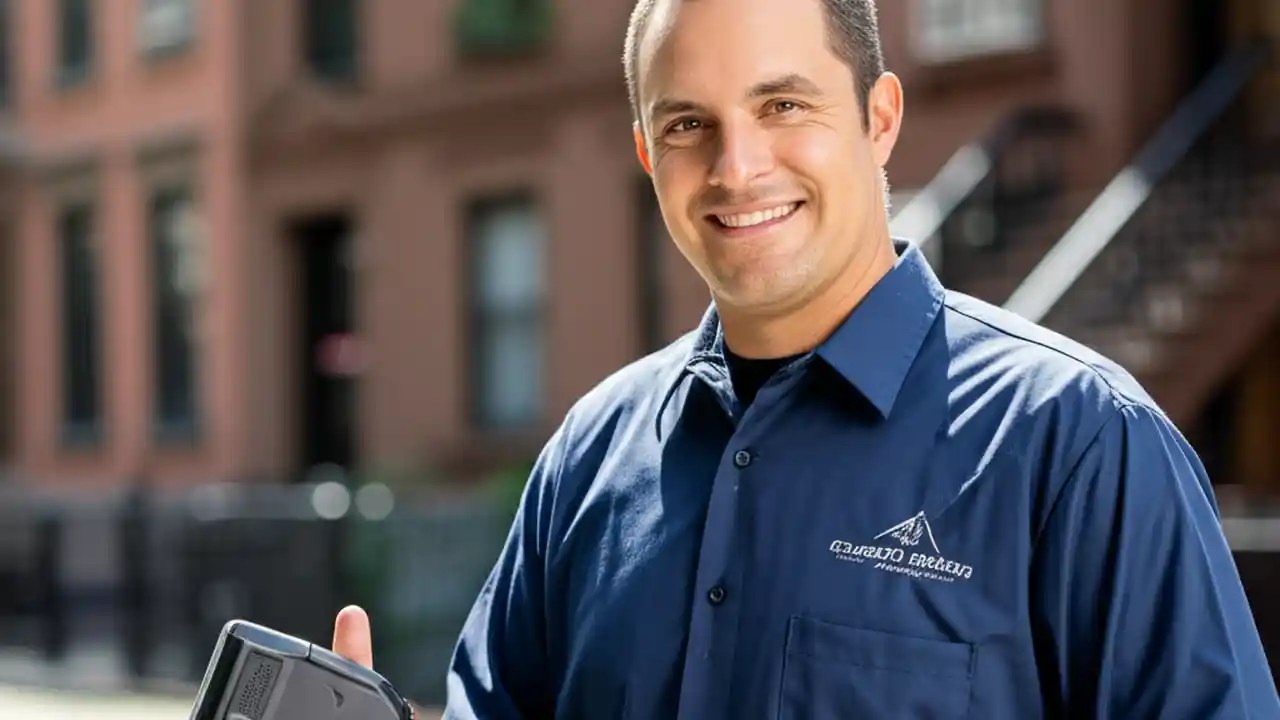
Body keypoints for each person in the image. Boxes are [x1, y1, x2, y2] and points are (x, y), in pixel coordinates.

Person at [333, 0, 1280, 716]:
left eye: (782, 104)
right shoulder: (591, 458)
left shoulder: (1079, 448)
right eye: (686, 124)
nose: (737, 167)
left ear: (879, 119)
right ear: (646, 154)